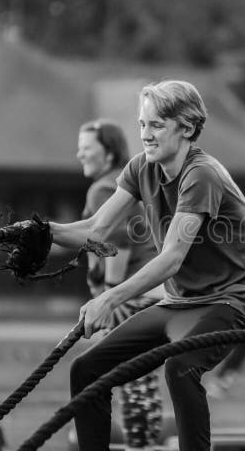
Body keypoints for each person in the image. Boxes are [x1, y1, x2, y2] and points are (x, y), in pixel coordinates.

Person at [50, 80, 245, 451]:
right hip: (180, 302)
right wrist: (40, 231)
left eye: (155, 125)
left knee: (181, 368)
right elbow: (95, 229)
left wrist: (109, 298)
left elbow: (171, 257)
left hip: (231, 302)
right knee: (86, 370)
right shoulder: (141, 169)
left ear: (186, 128)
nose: (145, 135)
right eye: (141, 124)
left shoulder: (202, 175)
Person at [75, 118, 165, 447]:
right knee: (141, 380)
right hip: (155, 293)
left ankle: (140, 445)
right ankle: (146, 445)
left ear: (109, 154)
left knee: (128, 379)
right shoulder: (123, 184)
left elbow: (118, 242)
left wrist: (107, 295)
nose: (79, 154)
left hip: (131, 294)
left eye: (87, 148)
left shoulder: (103, 188)